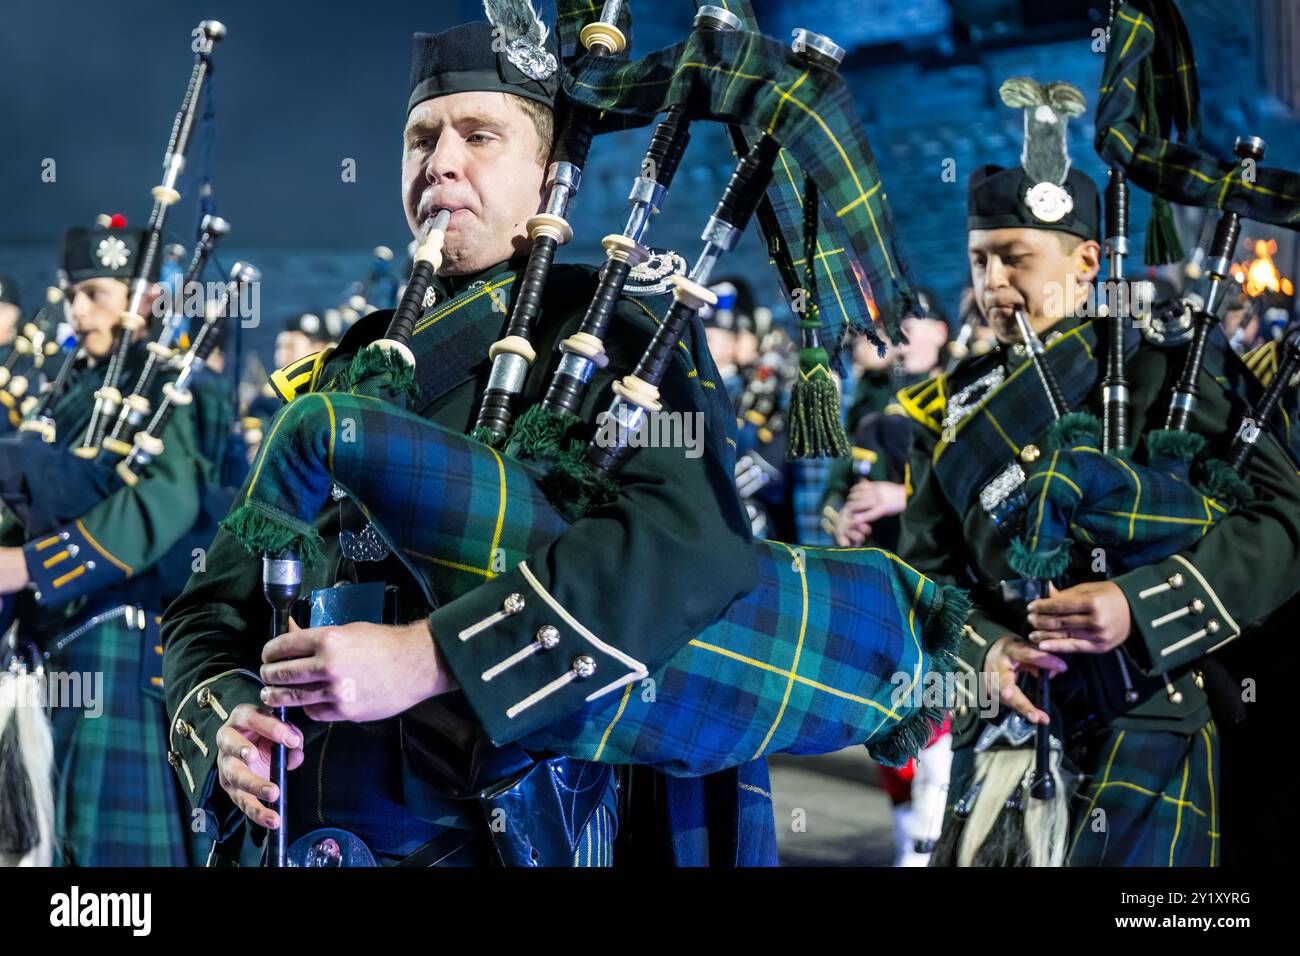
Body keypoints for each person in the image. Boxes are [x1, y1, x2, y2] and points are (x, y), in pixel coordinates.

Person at [162, 6, 763, 867]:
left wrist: (431, 656)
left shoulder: (621, 340)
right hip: (304, 836)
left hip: (504, 833)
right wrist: (222, 718)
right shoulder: (342, 371)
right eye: (420, 140)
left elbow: (691, 551)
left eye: (481, 136)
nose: (440, 163)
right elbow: (209, 606)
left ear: (555, 173)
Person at [896, 77, 1300, 866]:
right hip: (1012, 736)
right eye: (979, 263)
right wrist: (982, 651)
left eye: (1015, 258)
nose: (993, 286)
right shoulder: (948, 414)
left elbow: (1282, 523)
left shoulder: (1168, 370)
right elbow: (922, 574)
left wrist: (1136, 603)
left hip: (1157, 717)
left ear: (1087, 261)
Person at [0, 218, 215, 865]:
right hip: (50, 648)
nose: (77, 309)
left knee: (107, 857)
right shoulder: (63, 399)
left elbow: (165, 503)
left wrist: (29, 566)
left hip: (119, 642)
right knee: (46, 840)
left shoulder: (178, 388)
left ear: (145, 297)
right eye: (71, 294)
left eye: (96, 292)